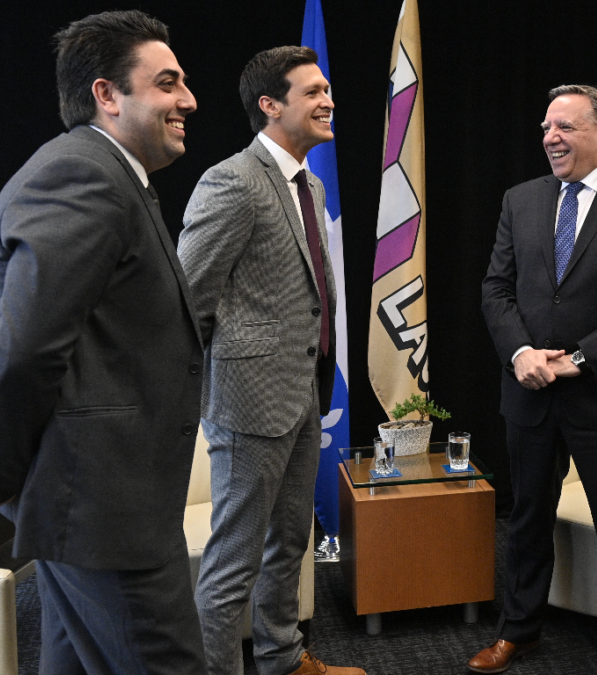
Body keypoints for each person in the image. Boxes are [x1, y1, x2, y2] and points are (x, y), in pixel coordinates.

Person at [0, 10, 208, 674]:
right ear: (107, 95)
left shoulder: (112, 179)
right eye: (167, 83)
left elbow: (78, 356)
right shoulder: (83, 179)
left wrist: (11, 447)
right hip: (109, 520)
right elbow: (25, 352)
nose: (189, 100)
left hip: (97, 505)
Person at [476, 84, 597, 675]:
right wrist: (519, 353)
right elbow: (496, 288)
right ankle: (520, 631)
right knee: (527, 519)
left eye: (563, 126)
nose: (549, 138)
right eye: (545, 128)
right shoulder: (521, 199)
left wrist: (578, 359)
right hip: (529, 392)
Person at [178, 47, 359, 675]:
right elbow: (187, 299)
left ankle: (283, 658)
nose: (328, 100)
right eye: (312, 92)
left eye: (327, 89)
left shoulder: (308, 182)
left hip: (304, 395)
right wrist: (207, 395)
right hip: (247, 405)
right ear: (270, 105)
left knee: (291, 543)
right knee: (234, 562)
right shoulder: (231, 181)